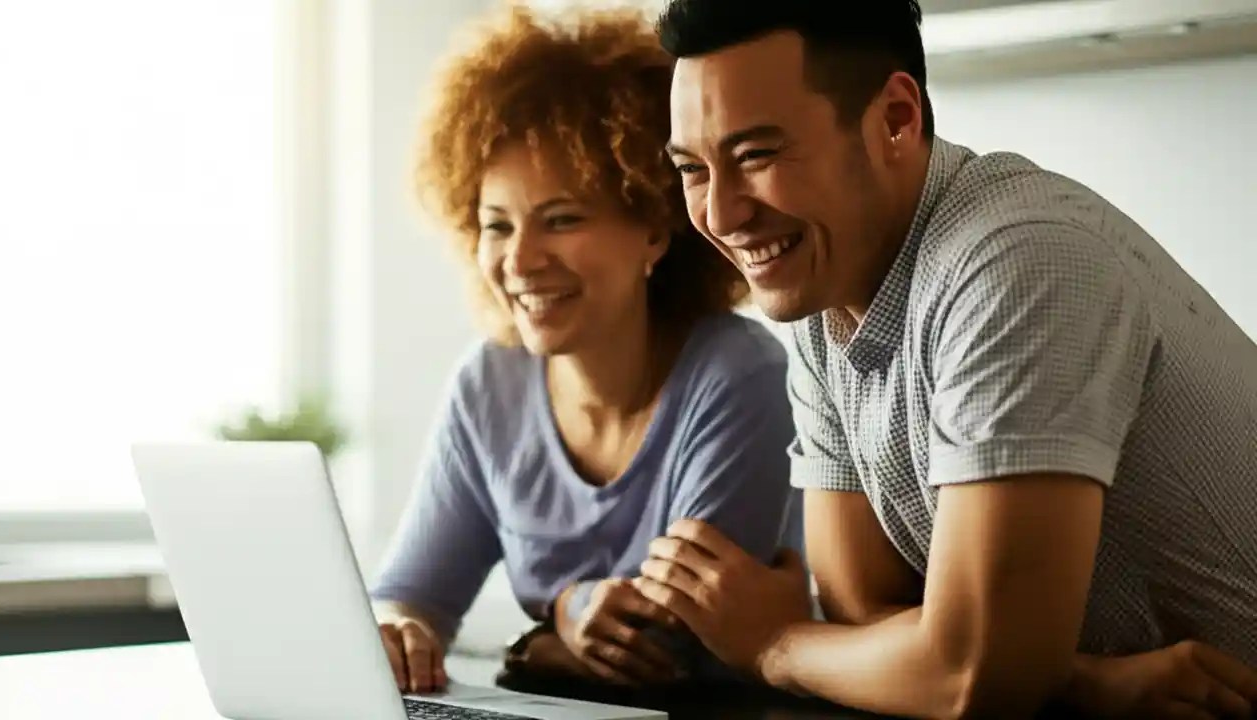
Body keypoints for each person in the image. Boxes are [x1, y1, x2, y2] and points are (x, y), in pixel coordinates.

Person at [633, 1, 1257, 718]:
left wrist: (774, 641)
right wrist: (1079, 680)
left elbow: (968, 675)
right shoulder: (823, 287)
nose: (720, 215)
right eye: (693, 169)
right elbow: (866, 613)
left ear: (896, 118)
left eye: (756, 156)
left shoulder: (1018, 260)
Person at [369, 4, 803, 698]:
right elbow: (407, 595)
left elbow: (669, 646)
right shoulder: (491, 383)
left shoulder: (738, 375)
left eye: (562, 220)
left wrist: (545, 632)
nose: (521, 259)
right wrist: (399, 631)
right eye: (496, 225)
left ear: (655, 230)